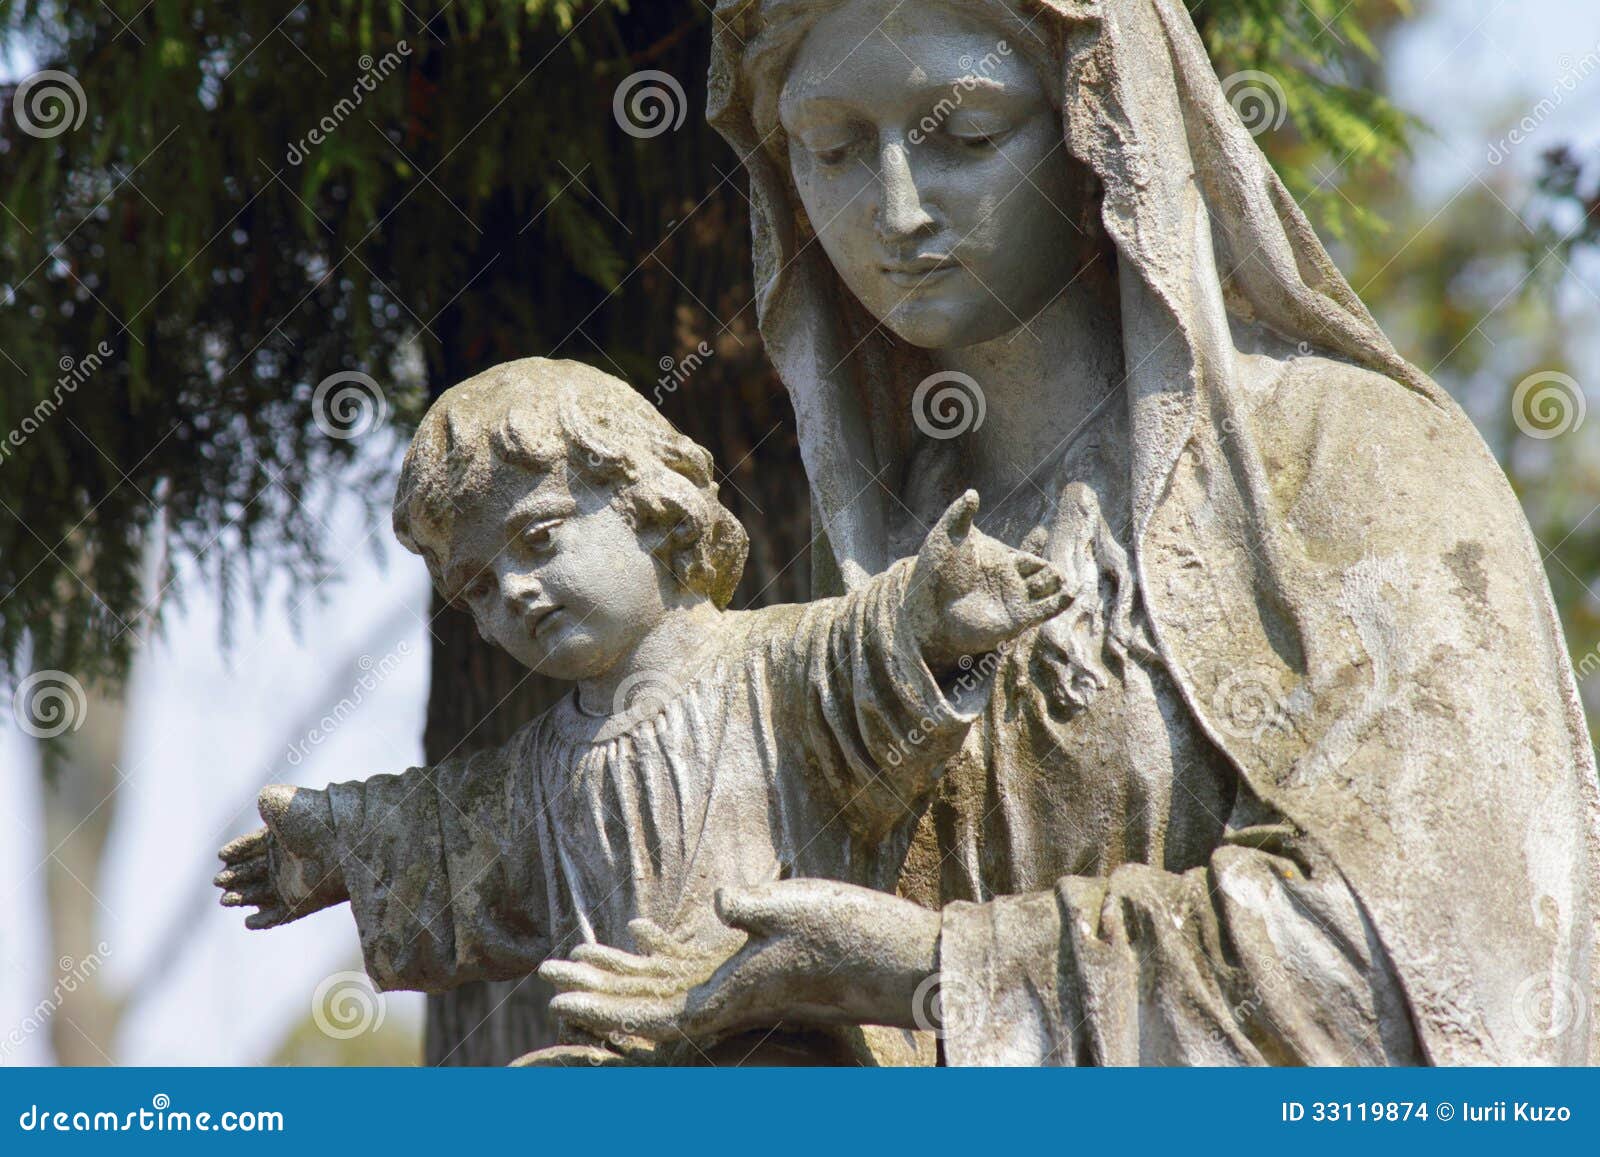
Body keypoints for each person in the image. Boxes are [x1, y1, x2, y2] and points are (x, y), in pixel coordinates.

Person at [541, 0, 1600, 1064]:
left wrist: (930, 965)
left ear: (1098, 126)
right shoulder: (885, 543)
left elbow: (1460, 955)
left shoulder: (1352, 459)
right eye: (833, 148)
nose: (896, 210)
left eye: (963, 135)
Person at [214, 356, 1070, 1063]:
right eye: (477, 586)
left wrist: (934, 617)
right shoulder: (541, 767)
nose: (514, 590)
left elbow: (868, 654)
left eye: (539, 537)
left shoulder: (772, 662)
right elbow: (443, 829)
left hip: (794, 1054)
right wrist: (331, 842)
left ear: (651, 506)